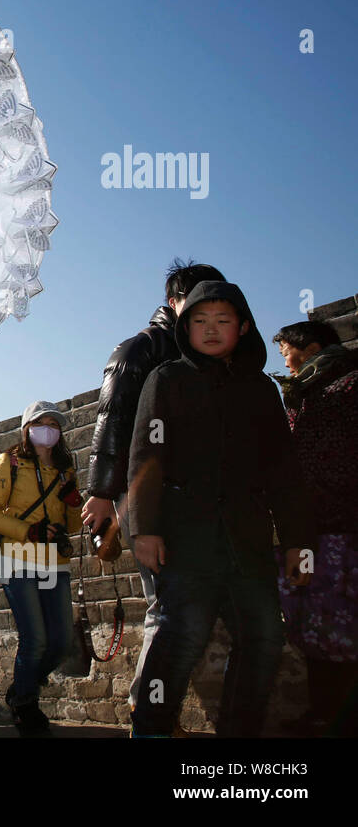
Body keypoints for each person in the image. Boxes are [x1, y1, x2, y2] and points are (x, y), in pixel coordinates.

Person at [128, 282, 316, 737]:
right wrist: (145, 528)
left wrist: (299, 543)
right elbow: (146, 457)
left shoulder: (259, 390)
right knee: (181, 636)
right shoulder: (167, 379)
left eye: (223, 321)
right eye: (200, 321)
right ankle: (151, 727)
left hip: (248, 541)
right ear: (184, 327)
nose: (211, 330)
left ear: (244, 327)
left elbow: (285, 473)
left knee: (265, 639)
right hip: (187, 540)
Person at [81, 259, 225, 725]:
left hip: (196, 503)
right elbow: (111, 418)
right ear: (174, 301)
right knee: (168, 611)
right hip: (146, 501)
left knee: (187, 612)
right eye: (195, 297)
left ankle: (153, 707)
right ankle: (150, 715)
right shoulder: (141, 350)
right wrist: (103, 494)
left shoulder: (208, 357)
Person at [271, 320, 358, 735]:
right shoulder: (301, 394)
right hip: (308, 531)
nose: (285, 363)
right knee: (315, 626)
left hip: (345, 526)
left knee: (345, 624)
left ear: (311, 348)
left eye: (287, 352)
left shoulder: (349, 385)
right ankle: (324, 712)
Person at [0, 401, 83, 735]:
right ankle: (25, 703)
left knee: (62, 641)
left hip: (54, 563)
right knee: (35, 638)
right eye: (42, 423)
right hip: (16, 559)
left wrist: (73, 504)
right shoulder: (9, 463)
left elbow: (75, 526)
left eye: (55, 424)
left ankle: (22, 688)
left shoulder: (66, 470)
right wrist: (30, 531)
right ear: (27, 428)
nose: (49, 429)